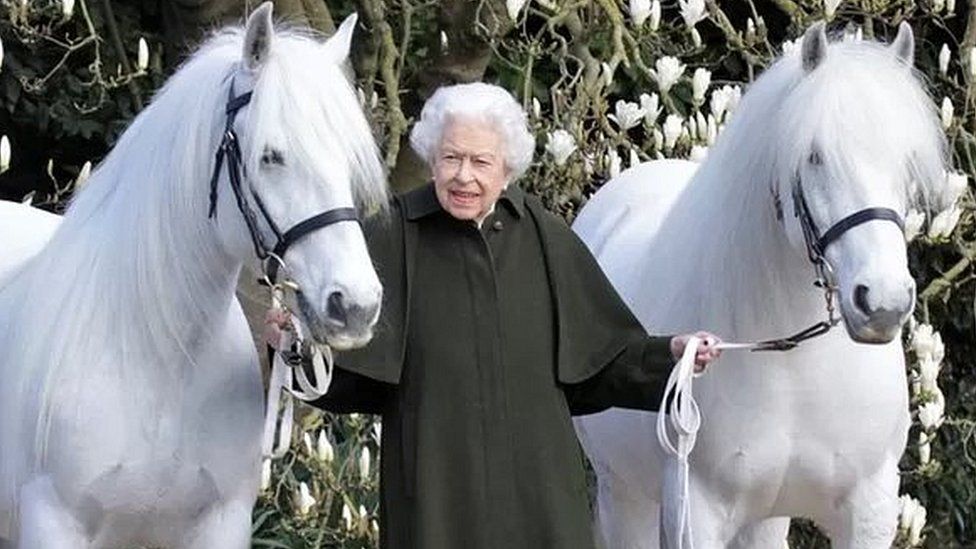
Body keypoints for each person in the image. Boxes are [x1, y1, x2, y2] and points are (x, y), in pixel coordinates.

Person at [265, 82, 721, 548]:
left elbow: (601, 361)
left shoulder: (543, 235)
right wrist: (297, 349)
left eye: (480, 162)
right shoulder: (392, 234)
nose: (464, 176)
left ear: (507, 170)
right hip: (435, 499)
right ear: (431, 159)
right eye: (451, 158)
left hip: (541, 502)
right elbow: (352, 373)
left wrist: (671, 355)